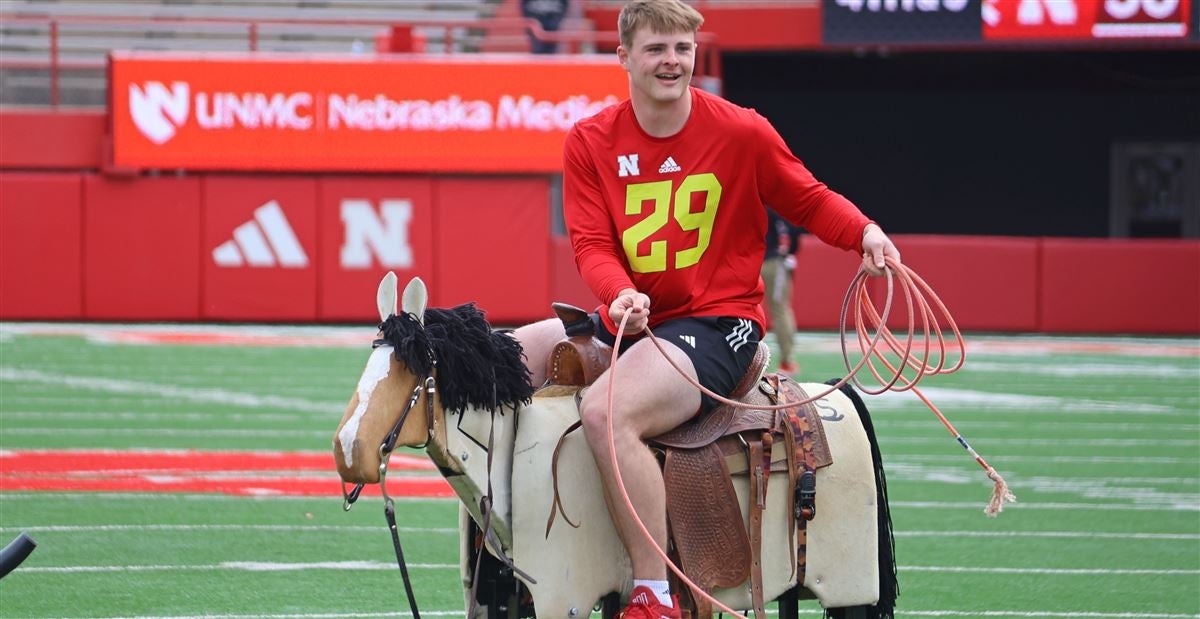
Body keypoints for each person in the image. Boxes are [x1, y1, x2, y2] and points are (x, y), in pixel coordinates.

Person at [512, 1, 901, 616]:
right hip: (636, 317)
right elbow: (591, 243)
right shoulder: (590, 140)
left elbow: (807, 198)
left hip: (722, 325)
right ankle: (510, 554)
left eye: (682, 49)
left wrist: (865, 233)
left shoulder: (742, 130)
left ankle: (654, 593)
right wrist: (620, 295)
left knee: (605, 413)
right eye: (656, 49)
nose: (672, 61)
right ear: (624, 57)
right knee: (510, 354)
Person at [762, 208, 802, 375]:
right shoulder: (777, 209)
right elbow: (793, 237)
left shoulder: (765, 207)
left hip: (757, 259)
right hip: (773, 262)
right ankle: (787, 360)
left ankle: (747, 358)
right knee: (781, 309)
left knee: (746, 307)